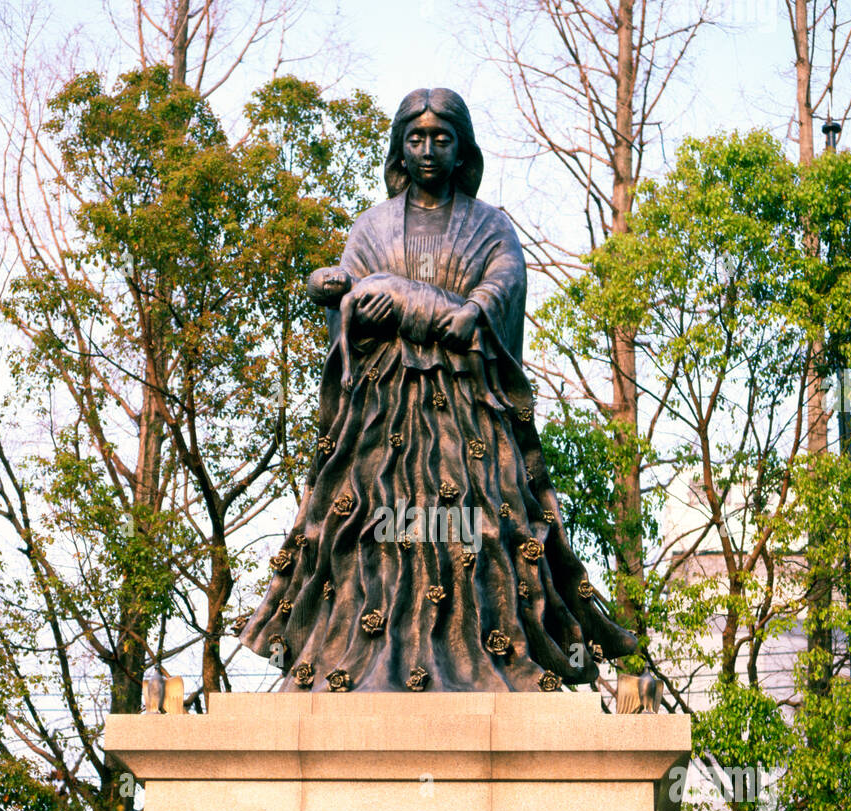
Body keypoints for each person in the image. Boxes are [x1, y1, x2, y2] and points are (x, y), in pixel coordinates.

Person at [239, 87, 637, 691]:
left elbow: (496, 295)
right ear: (400, 147)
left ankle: (483, 650)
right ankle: (365, 653)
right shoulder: (371, 226)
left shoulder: (491, 226)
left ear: (462, 149)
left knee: (476, 529)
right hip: (383, 411)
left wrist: (446, 305)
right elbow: (352, 306)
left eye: (441, 138)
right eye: (416, 138)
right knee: (368, 528)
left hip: (466, 412)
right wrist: (343, 292)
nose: (428, 150)